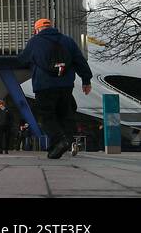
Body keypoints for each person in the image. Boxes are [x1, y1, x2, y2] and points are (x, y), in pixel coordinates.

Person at [16, 17, 92, 159]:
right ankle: (57, 147)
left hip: (44, 86)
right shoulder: (68, 41)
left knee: (46, 117)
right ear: (52, 27)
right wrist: (86, 80)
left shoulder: (34, 42)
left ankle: (61, 140)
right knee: (64, 115)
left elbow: (22, 60)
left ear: (37, 30)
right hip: (65, 86)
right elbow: (79, 61)